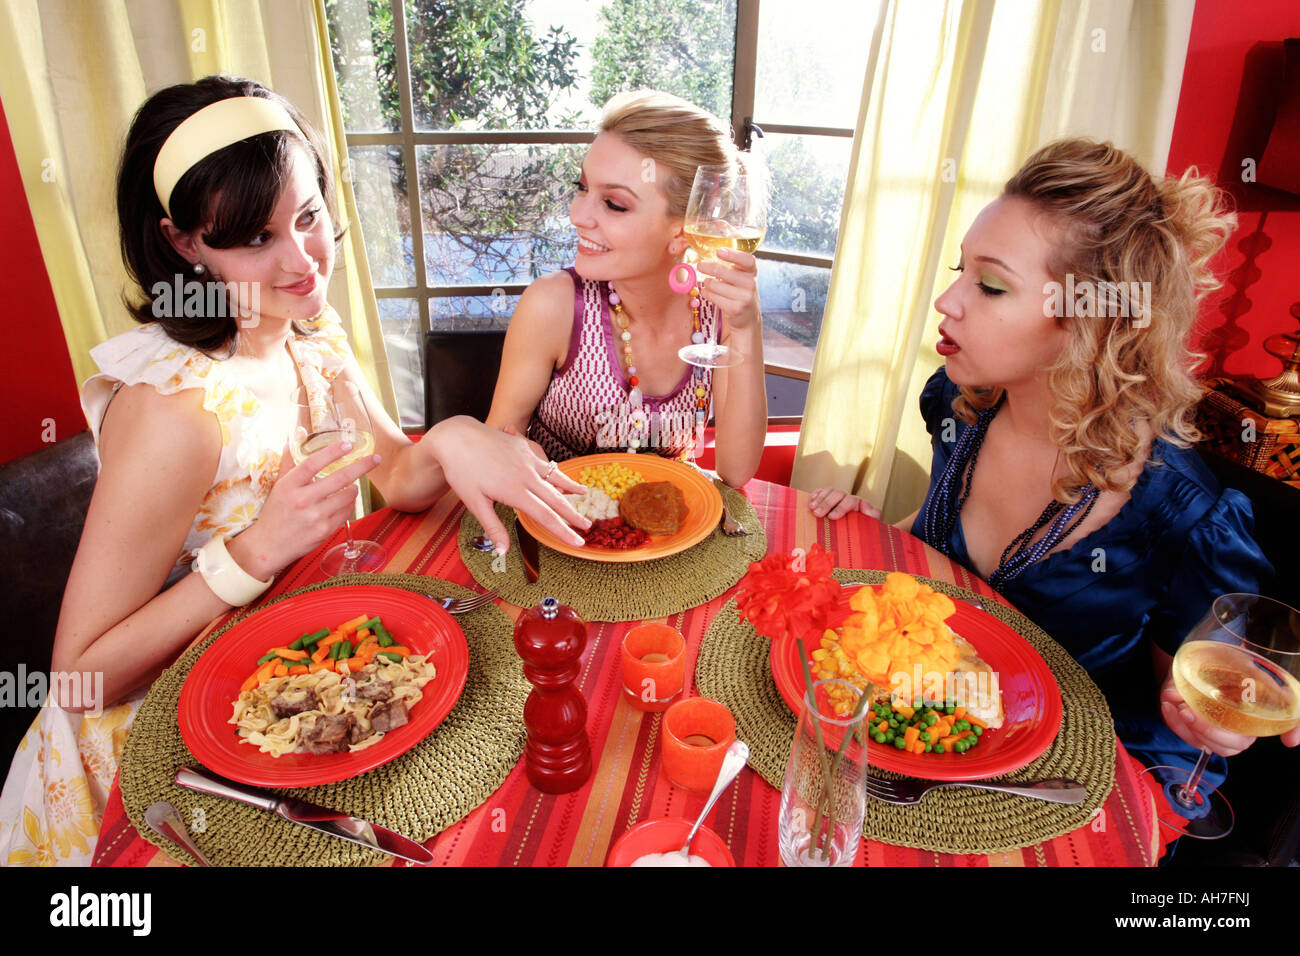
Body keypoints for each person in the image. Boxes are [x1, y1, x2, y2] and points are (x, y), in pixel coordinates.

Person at [0, 75, 588, 865]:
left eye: (309, 217)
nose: (302, 261)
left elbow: (400, 478)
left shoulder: (306, 326)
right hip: (155, 768)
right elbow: (77, 678)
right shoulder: (176, 411)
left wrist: (452, 435)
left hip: (287, 691)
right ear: (182, 243)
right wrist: (254, 554)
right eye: (254, 240)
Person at [809, 138, 1296, 778]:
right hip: (933, 726)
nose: (948, 301)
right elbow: (937, 559)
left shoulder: (1184, 520)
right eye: (962, 271)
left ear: (1093, 320)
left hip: (1077, 780)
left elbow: (1191, 707)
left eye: (989, 285)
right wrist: (875, 532)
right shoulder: (961, 406)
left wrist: (1208, 720)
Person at [486, 90, 767, 487]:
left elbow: (736, 472)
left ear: (685, 230)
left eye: (614, 204)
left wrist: (747, 325)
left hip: (671, 530)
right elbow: (498, 449)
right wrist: (520, 455)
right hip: (561, 529)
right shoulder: (554, 305)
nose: (577, 215)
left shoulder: (717, 310)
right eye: (582, 187)